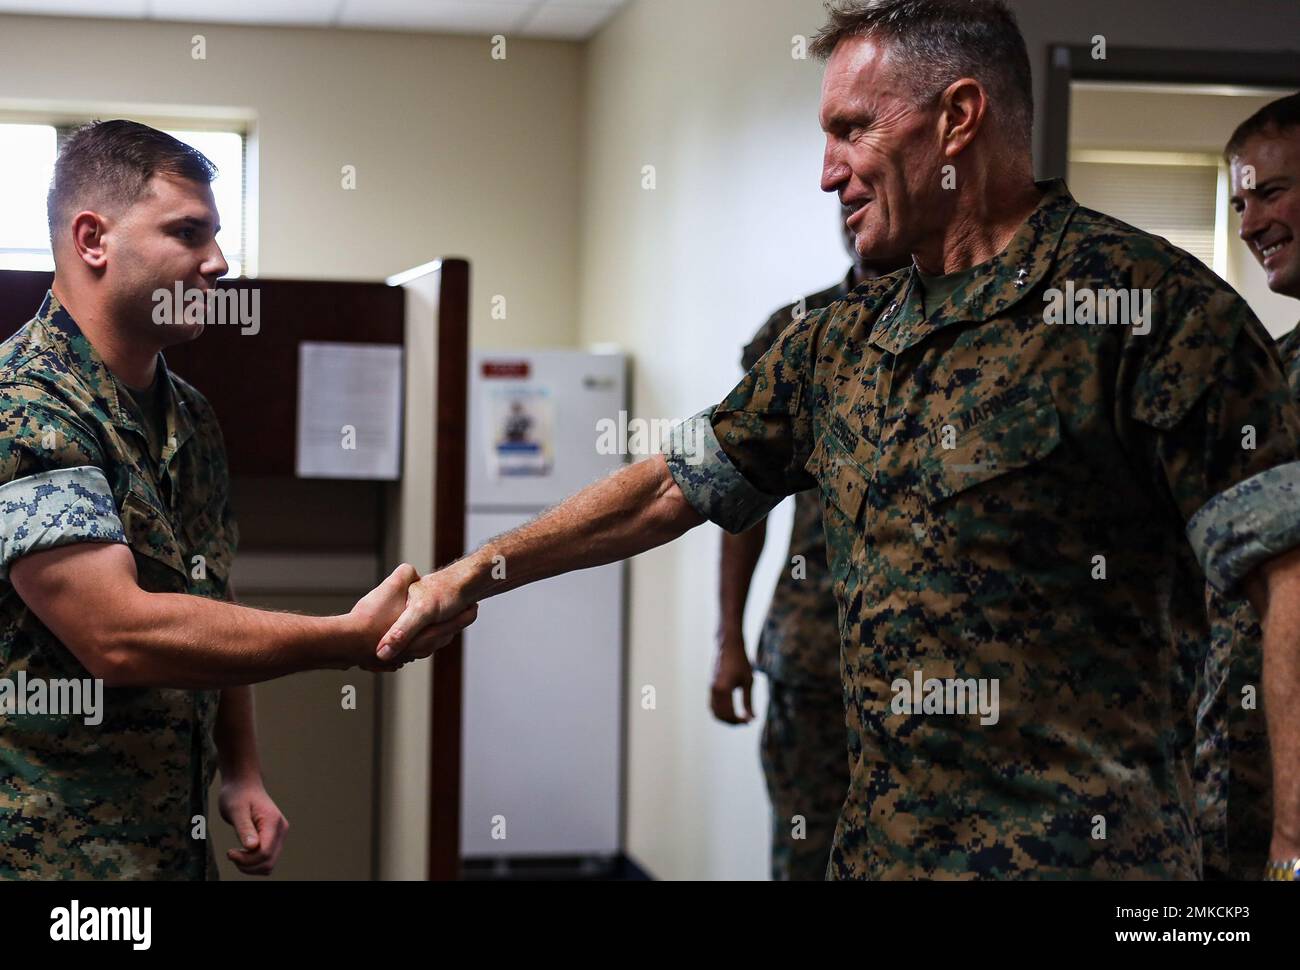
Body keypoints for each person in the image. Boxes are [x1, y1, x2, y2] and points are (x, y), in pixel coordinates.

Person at [379, 0, 1300, 880]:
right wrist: (479, 569)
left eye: (852, 130)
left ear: (958, 118)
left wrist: (1292, 846)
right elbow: (673, 487)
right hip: (882, 852)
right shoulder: (835, 343)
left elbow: (1285, 577)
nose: (827, 173)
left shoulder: (1150, 311)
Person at [0, 120, 474, 880]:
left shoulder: (190, 416)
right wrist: (346, 638)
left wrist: (240, 769)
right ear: (93, 239)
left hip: (169, 843)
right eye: (188, 233)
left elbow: (209, 596)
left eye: (216, 235)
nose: (217, 263)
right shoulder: (27, 406)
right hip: (50, 858)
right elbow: (117, 635)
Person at [711, 224, 905, 880]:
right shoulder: (797, 331)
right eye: (843, 204)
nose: (851, 206)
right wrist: (729, 641)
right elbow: (741, 500)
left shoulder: (970, 325)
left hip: (934, 668)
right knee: (807, 853)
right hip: (816, 652)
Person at [1198, 90, 1300, 880]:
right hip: (1233, 782)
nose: (1250, 223)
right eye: (1239, 200)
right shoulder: (1273, 365)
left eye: (1271, 191)